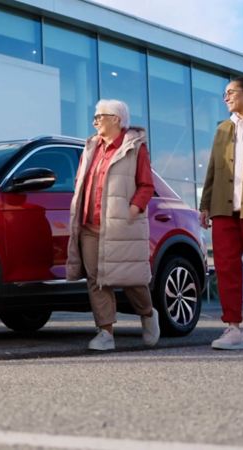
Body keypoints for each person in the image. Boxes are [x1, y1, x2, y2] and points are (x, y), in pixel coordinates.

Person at [66, 99, 160, 351]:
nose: (95, 120)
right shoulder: (91, 147)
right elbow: (81, 182)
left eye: (100, 116)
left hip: (120, 225)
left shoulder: (135, 148)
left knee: (130, 279)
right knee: (96, 280)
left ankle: (148, 314)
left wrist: (132, 209)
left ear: (116, 119)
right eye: (95, 116)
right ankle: (105, 332)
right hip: (89, 225)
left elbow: (146, 186)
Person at [199, 76, 243, 351]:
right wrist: (205, 204)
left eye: (230, 93)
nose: (225, 98)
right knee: (226, 269)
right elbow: (213, 168)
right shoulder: (223, 128)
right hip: (224, 210)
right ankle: (233, 329)